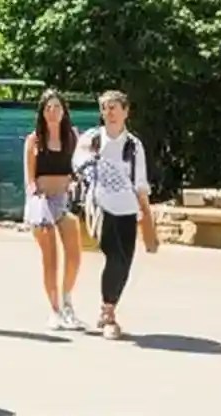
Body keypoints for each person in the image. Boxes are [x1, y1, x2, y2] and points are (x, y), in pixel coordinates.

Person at [72, 90, 157, 339]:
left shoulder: (134, 145)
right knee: (114, 257)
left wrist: (148, 221)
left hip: (127, 209)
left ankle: (108, 307)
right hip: (100, 206)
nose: (109, 112)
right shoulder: (92, 139)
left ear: (125, 111)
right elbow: (79, 165)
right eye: (105, 108)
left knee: (124, 262)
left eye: (113, 107)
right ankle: (108, 313)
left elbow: (141, 184)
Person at [22, 89, 85, 331]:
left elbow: (79, 170)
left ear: (63, 111)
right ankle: (54, 309)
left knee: (74, 255)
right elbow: (29, 177)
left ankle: (68, 303)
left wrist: (76, 187)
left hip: (64, 199)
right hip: (42, 200)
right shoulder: (34, 140)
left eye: (57, 107)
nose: (52, 111)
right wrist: (35, 199)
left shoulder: (72, 137)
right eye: (48, 107)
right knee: (51, 258)